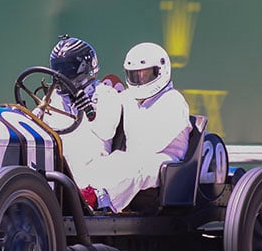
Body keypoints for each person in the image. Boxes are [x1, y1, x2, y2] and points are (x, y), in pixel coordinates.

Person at [80, 41, 192, 213]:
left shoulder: (173, 100)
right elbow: (105, 117)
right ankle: (79, 196)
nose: (140, 80)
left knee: (135, 165)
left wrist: (122, 160)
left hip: (166, 163)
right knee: (98, 163)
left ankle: (97, 200)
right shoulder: (129, 98)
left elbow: (154, 145)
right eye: (135, 75)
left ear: (160, 71)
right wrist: (88, 102)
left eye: (145, 75)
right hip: (133, 159)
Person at [40, 36, 123, 177]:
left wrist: (88, 109)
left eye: (67, 68)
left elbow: (106, 132)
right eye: (58, 68)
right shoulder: (53, 96)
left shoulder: (106, 94)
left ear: (87, 68)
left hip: (91, 171)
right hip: (55, 168)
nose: (61, 74)